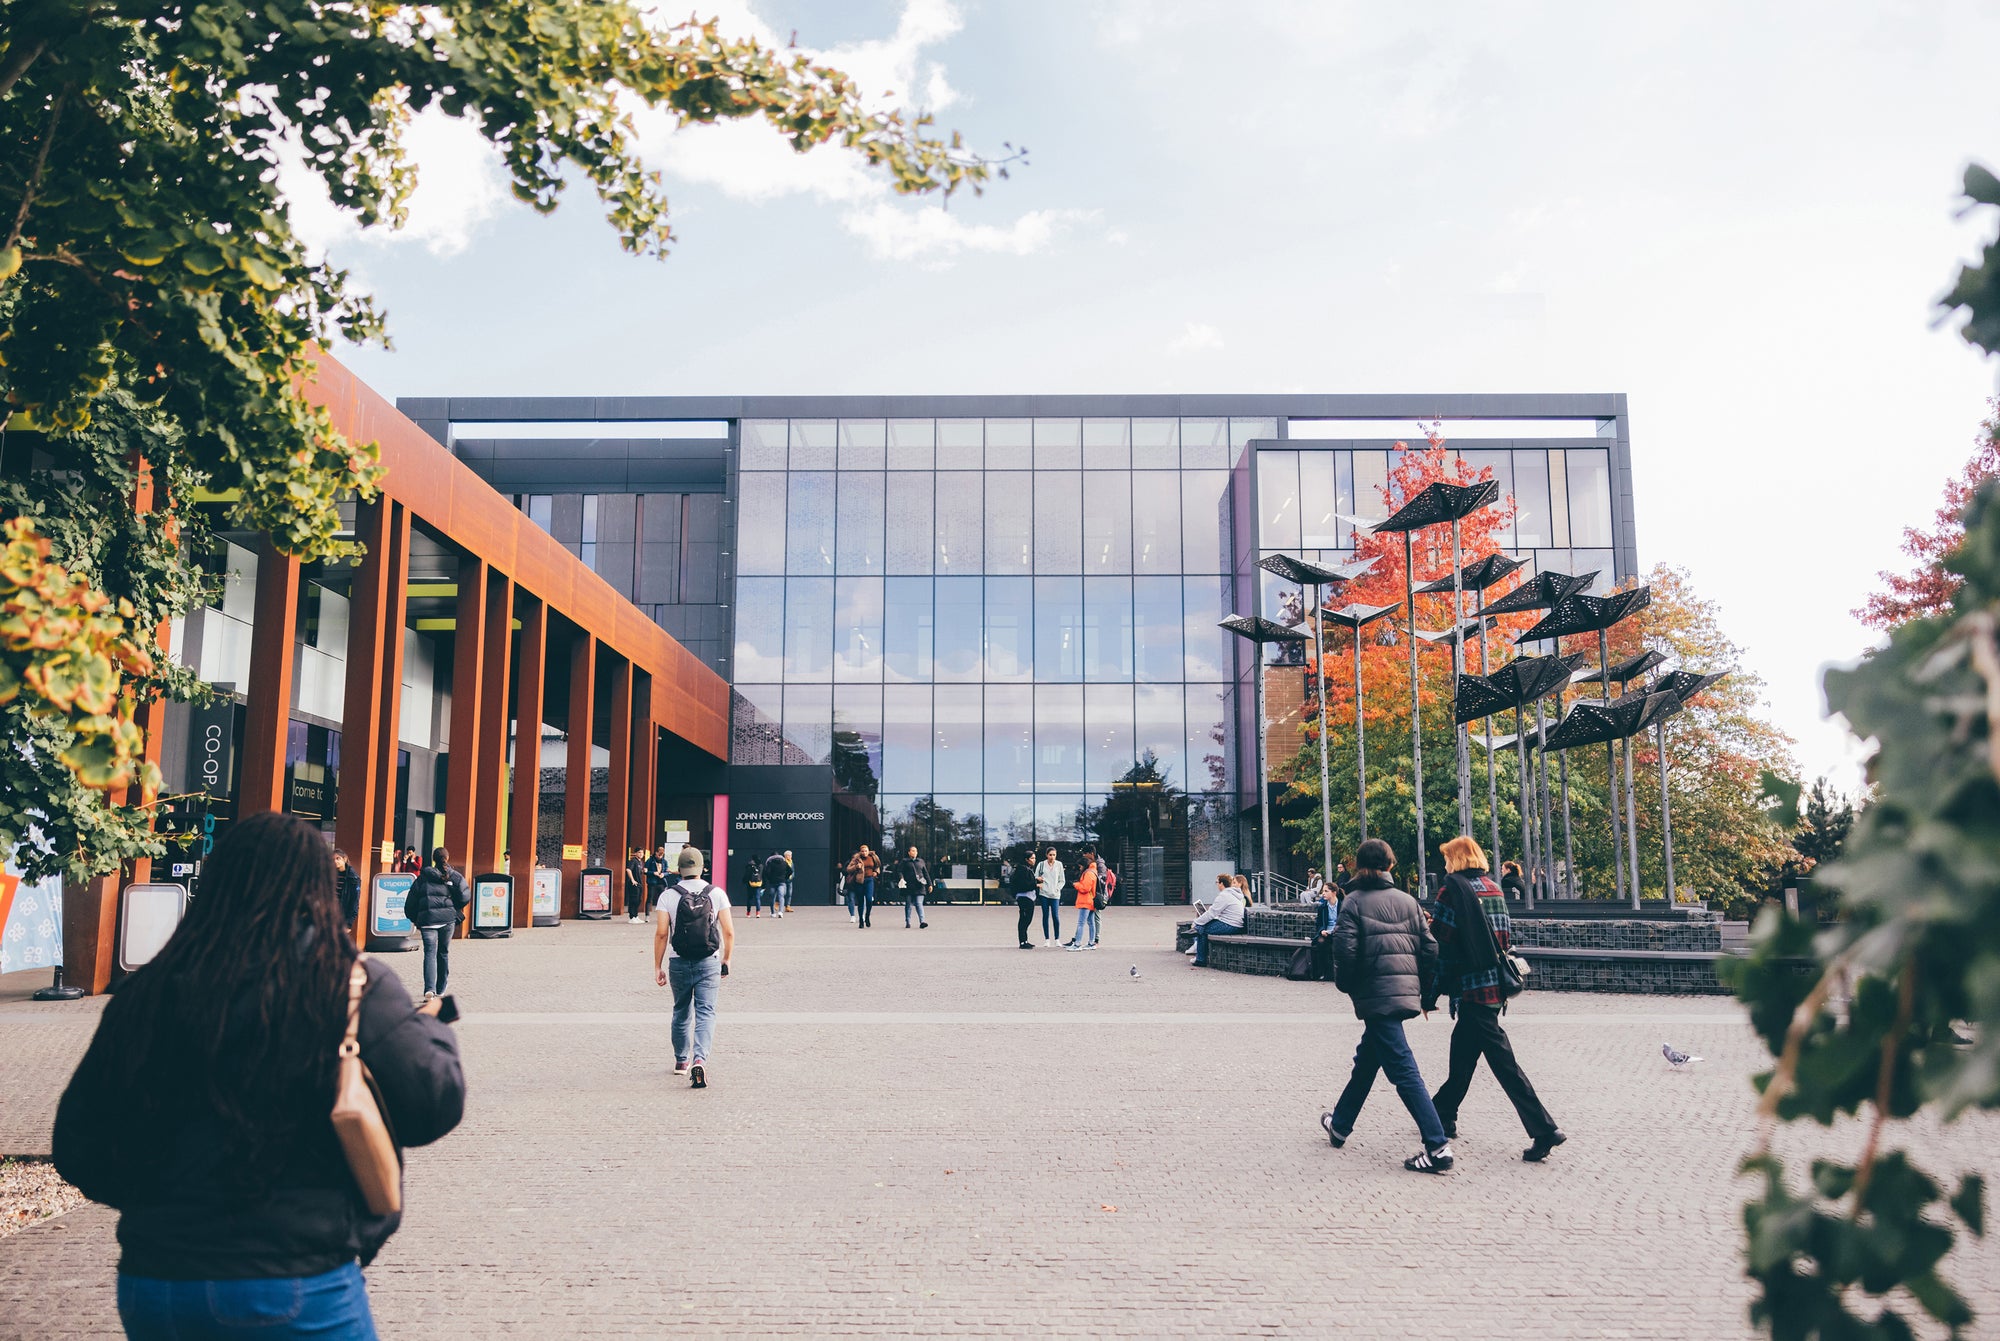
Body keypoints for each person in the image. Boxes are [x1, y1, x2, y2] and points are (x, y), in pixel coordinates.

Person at [52, 811, 464, 1339]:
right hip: (296, 1277)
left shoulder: (149, 989)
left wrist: (161, 1206)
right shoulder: (348, 983)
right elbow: (435, 1102)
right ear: (319, 886)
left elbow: (78, 1143)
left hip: (157, 1281)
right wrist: (433, 1031)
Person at [1427, 836, 1565, 1162]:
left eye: (1448, 858)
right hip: (1494, 989)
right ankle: (1443, 1114)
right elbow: (1503, 937)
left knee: (1505, 1066)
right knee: (1462, 1056)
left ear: (1456, 860)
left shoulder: (1451, 891)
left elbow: (1441, 948)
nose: (1445, 864)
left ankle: (1544, 1129)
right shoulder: (1493, 887)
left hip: (1472, 989)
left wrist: (1429, 992)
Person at [1321, 837, 1454, 1174]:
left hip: (1374, 995)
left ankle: (1437, 1146)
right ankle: (1339, 1125)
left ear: (1357, 865)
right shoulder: (1408, 902)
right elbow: (1430, 948)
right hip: (1403, 992)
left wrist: (1349, 987)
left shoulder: (1353, 902)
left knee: (1404, 1070)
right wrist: (1423, 991)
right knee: (1367, 1061)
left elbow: (1344, 951)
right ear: (1390, 866)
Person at [654, 846, 735, 1088]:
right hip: (708, 961)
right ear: (703, 868)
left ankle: (681, 1061)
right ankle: (700, 1059)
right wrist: (726, 960)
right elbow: (729, 932)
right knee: (706, 1012)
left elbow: (661, 934)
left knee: (681, 1011)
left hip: (678, 961)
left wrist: (657, 966)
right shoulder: (716, 893)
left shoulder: (668, 895)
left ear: (679, 869)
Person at [406, 847, 470, 1002]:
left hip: (428, 921)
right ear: (447, 857)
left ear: (433, 859)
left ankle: (429, 989)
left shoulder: (422, 878)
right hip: (447, 920)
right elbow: (465, 895)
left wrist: (416, 918)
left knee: (429, 953)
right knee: (443, 952)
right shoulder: (454, 876)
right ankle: (441, 989)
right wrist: (455, 908)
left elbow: (410, 903)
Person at [1188, 873, 1247, 966]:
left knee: (1200, 929)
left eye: (1217, 882)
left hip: (1230, 925)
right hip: (1234, 924)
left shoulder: (1224, 896)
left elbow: (1211, 914)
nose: (1216, 884)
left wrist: (1196, 922)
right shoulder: (1233, 894)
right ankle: (1198, 952)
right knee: (1201, 926)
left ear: (1221, 884)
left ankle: (1200, 959)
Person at [1065, 848, 1099, 950]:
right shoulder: (1093, 871)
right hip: (1091, 900)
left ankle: (1077, 944)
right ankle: (1091, 943)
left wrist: (1076, 884)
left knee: (1081, 923)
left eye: (1080, 866)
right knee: (1091, 923)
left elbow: (1085, 888)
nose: (1079, 868)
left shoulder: (1088, 873)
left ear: (1084, 865)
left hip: (1085, 901)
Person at [1033, 847, 1065, 946]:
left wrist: (1057, 889)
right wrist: (1039, 881)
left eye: (1054, 855)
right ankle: (1047, 939)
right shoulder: (1041, 864)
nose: (1052, 857)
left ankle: (1057, 939)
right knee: (1045, 915)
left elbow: (1062, 880)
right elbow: (1035, 877)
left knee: (1055, 916)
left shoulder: (1059, 865)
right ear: (1047, 855)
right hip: (1044, 894)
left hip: (1055, 895)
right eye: (1050, 855)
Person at [896, 844, 931, 929]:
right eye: (912, 851)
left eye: (915, 851)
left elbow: (926, 873)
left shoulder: (921, 861)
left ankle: (922, 921)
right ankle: (908, 921)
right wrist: (901, 878)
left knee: (919, 903)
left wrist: (930, 884)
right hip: (909, 886)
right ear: (909, 852)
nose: (914, 852)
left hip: (919, 886)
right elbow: (899, 871)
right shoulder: (905, 861)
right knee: (909, 904)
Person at [1010, 851, 1039, 949]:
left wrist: (1036, 880)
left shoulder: (1026, 869)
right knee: (1024, 919)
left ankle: (1025, 940)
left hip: (1028, 897)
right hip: (1024, 897)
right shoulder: (1022, 869)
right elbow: (1023, 885)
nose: (1034, 860)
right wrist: (1036, 884)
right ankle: (1022, 942)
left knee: (1027, 919)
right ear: (1026, 859)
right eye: (1032, 858)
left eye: (1034, 858)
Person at [846, 844, 879, 928]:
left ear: (868, 851)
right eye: (862, 851)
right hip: (859, 881)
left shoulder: (873, 857)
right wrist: (856, 866)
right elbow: (848, 869)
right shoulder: (856, 858)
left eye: (866, 851)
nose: (864, 853)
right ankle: (861, 919)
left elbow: (878, 866)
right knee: (860, 901)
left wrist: (876, 872)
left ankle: (867, 916)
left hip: (869, 880)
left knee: (869, 899)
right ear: (860, 852)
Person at [332, 848, 361, 931]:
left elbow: (354, 902)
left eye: (338, 858)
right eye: (333, 859)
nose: (335, 861)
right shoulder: (330, 875)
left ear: (344, 859)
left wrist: (349, 924)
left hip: (342, 917)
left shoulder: (353, 878)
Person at [764, 850, 794, 918]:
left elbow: (767, 872)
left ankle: (773, 913)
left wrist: (770, 879)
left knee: (772, 898)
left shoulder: (770, 863)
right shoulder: (784, 862)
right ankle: (780, 912)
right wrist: (785, 877)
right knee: (781, 897)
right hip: (782, 882)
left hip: (773, 883)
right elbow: (790, 871)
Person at [625, 848, 649, 923]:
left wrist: (644, 871)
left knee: (638, 900)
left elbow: (640, 871)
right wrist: (632, 879)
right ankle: (632, 917)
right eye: (639, 852)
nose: (641, 854)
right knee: (634, 900)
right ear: (635, 853)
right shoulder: (633, 861)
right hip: (633, 883)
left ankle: (636, 916)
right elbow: (628, 869)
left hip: (639, 883)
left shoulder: (640, 862)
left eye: (642, 852)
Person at [646, 844, 672, 915]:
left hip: (661, 882)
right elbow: (645, 871)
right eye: (659, 855)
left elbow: (667, 871)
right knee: (649, 898)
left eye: (662, 855)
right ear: (656, 853)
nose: (660, 857)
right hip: (652, 882)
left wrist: (663, 874)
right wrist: (653, 873)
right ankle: (647, 915)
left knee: (662, 899)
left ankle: (662, 914)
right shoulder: (650, 860)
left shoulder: (664, 861)